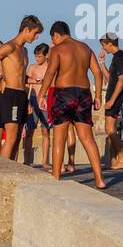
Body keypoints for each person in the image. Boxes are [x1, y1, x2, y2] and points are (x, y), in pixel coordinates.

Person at [39, 21, 107, 189]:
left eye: (53, 39)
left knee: (59, 138)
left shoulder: (57, 49)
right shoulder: (85, 48)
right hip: (84, 94)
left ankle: (56, 177)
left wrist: (42, 94)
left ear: (56, 35)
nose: (53, 42)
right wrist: (98, 96)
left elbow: (50, 72)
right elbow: (97, 73)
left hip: (64, 94)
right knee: (87, 138)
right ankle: (99, 179)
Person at [0, 15, 43, 159]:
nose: (36, 37)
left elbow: (20, 75)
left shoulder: (25, 51)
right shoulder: (9, 47)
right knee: (11, 137)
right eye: (35, 33)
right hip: (10, 95)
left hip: (21, 95)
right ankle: (1, 175)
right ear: (26, 29)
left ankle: (12, 170)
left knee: (18, 138)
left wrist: (37, 80)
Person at [99, 33, 123, 169]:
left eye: (104, 45)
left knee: (110, 129)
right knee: (110, 129)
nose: (103, 48)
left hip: (115, 98)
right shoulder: (115, 58)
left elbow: (121, 80)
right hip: (111, 97)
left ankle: (122, 159)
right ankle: (113, 161)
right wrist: (101, 62)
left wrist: (112, 100)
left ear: (110, 44)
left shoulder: (121, 58)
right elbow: (109, 78)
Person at [24, 42, 51, 167]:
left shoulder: (51, 67)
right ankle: (27, 160)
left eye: (39, 56)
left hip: (46, 100)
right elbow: (25, 83)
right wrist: (27, 102)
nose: (37, 59)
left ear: (46, 55)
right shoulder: (32, 67)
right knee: (29, 131)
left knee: (46, 131)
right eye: (36, 56)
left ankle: (45, 161)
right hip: (34, 99)